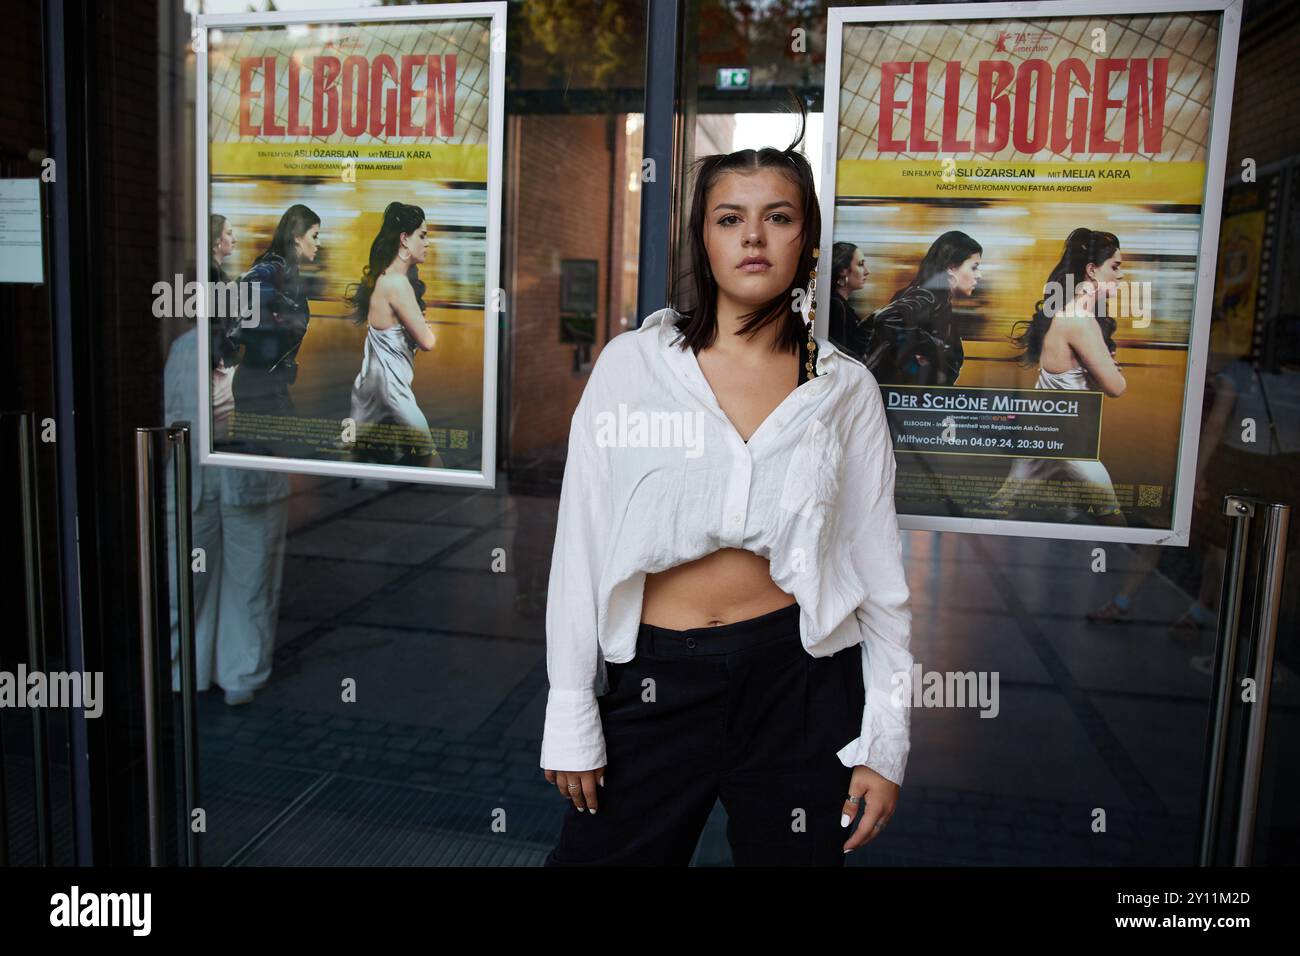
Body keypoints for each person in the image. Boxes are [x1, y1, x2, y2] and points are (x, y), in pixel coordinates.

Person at [540, 105, 913, 866]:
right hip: (652, 682)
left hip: (800, 684)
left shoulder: (845, 389)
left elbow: (881, 576)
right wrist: (571, 706)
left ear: (805, 239)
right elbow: (579, 542)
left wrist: (886, 739)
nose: (753, 236)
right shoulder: (633, 367)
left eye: (778, 217)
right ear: (702, 239)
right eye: (729, 218)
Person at [164, 245, 291, 705]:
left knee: (250, 582)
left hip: (248, 478)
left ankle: (240, 676)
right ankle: (188, 671)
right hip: (193, 483)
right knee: (188, 581)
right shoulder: (183, 349)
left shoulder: (258, 349)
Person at [994, 228, 1128, 526]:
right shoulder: (1078, 320)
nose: (1120, 276)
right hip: (1069, 446)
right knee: (1114, 523)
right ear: (1092, 270)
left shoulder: (1071, 316)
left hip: (1045, 439)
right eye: (1115, 267)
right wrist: (1110, 370)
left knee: (1008, 510)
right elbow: (1117, 387)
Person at [345, 202, 442, 467]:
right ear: (404, 239)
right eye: (422, 235)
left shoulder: (385, 279)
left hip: (370, 386)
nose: (428, 243)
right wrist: (427, 327)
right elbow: (428, 341)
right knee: (431, 459)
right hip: (392, 390)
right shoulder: (397, 285)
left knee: (355, 458)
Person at [229, 203, 320, 456]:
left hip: (268, 380)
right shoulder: (273, 266)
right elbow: (245, 289)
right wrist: (279, 309)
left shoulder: (291, 273)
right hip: (259, 382)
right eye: (315, 235)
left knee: (270, 458)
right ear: (296, 238)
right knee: (289, 454)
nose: (318, 243)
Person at [863, 230, 981, 386]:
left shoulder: (939, 301)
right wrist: (933, 347)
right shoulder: (927, 296)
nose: (979, 275)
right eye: (974, 267)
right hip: (899, 396)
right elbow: (886, 319)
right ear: (951, 268)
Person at [828, 241, 871, 360]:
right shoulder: (835, 306)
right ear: (843, 270)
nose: (867, 271)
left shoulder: (842, 305)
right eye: (860, 264)